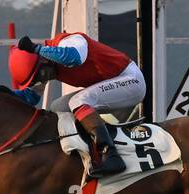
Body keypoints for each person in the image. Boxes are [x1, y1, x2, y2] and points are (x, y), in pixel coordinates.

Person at [8, 32, 144, 178]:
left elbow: (74, 58)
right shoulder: (45, 63)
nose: (41, 80)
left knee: (78, 101)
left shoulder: (70, 41)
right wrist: (2, 94)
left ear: (43, 61)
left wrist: (37, 49)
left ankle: (111, 155)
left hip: (130, 80)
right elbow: (31, 97)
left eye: (40, 75)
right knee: (57, 107)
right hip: (113, 85)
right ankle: (84, 153)